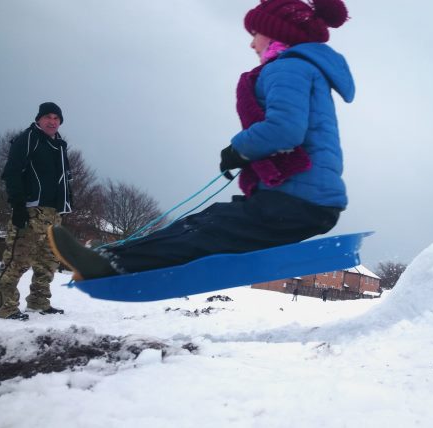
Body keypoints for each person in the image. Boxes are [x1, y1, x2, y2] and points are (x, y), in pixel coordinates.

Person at [47, 0, 354, 281]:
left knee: (207, 229)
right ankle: (117, 254)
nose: (251, 43)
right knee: (206, 223)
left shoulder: (289, 67)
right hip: (302, 197)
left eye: (256, 33)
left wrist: (240, 149)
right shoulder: (300, 68)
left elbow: (286, 129)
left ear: (276, 34)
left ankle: (113, 263)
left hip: (298, 199)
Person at [0, 102, 72, 320]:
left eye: (56, 118)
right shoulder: (28, 139)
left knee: (48, 261)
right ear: (39, 119)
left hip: (54, 212)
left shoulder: (60, 145)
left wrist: (64, 207)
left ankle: (39, 302)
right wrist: (18, 205)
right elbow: (12, 172)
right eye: (48, 117)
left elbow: (64, 180)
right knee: (19, 258)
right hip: (31, 210)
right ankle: (5, 306)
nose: (52, 121)